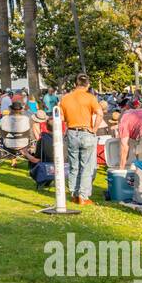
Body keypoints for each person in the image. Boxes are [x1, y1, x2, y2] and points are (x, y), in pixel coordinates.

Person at [59, 74, 102, 207]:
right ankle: (83, 196)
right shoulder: (90, 98)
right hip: (86, 132)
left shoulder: (65, 98)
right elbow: (100, 113)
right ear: (88, 85)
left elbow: (60, 117)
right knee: (87, 166)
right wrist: (94, 129)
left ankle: (74, 194)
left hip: (72, 131)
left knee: (74, 164)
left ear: (74, 84)